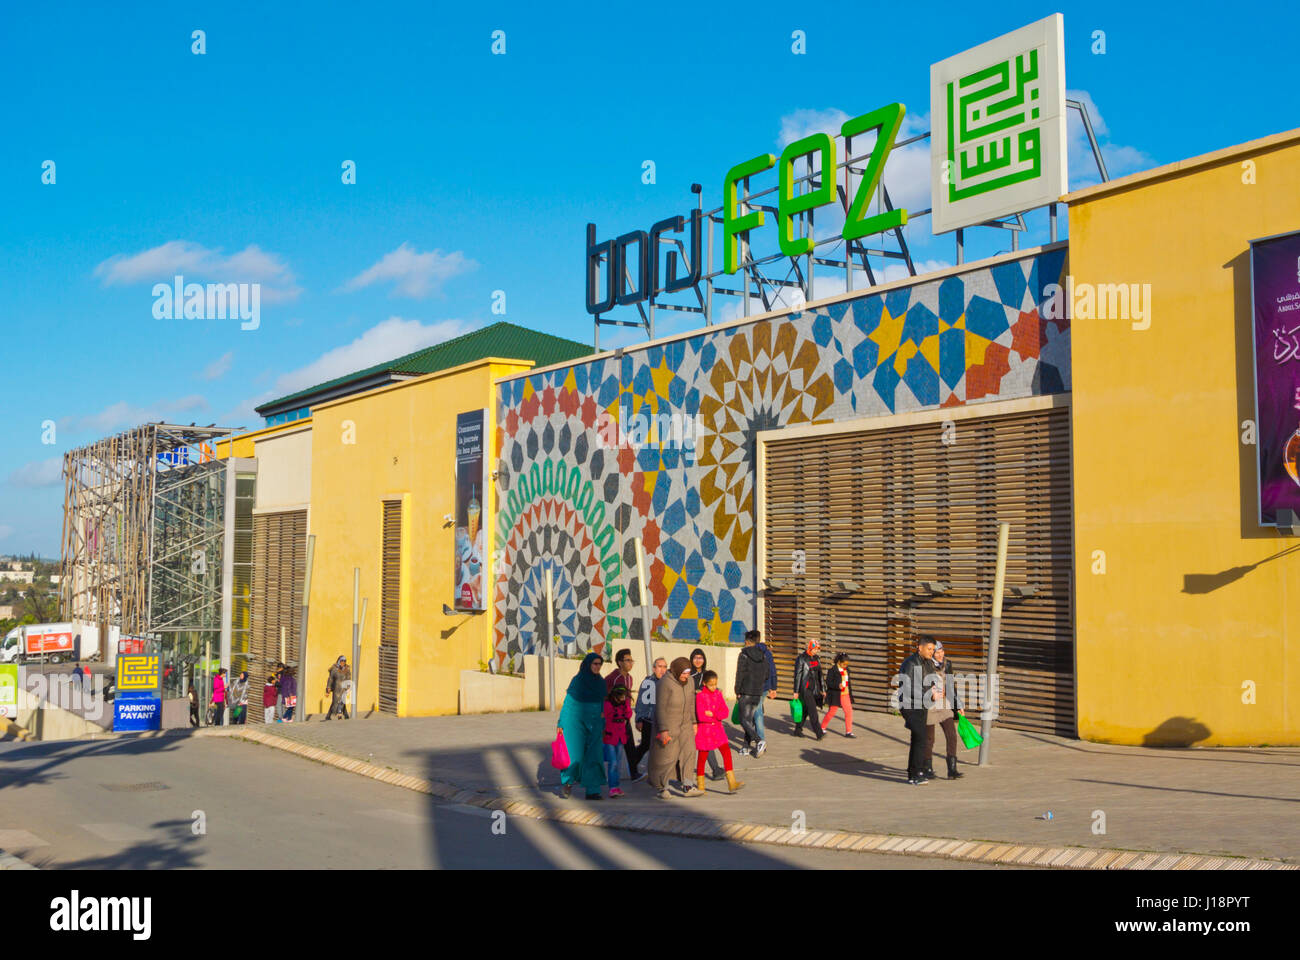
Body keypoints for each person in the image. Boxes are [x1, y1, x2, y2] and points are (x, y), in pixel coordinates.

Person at [648, 657, 703, 799]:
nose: (686, 676)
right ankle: (662, 787)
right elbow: (660, 708)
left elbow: (691, 703)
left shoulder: (690, 681)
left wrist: (694, 722)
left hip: (685, 723)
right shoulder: (665, 683)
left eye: (688, 673)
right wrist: (663, 729)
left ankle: (688, 785)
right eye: (684, 673)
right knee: (668, 756)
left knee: (690, 751)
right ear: (677, 670)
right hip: (669, 724)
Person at [556, 652, 608, 801]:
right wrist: (561, 723)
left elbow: (602, 705)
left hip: (595, 724)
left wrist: (603, 724)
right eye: (595, 664)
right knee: (574, 756)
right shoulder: (577, 681)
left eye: (599, 664)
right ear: (587, 664)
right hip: (575, 722)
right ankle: (568, 782)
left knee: (594, 756)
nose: (597, 667)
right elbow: (568, 703)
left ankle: (593, 790)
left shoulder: (600, 682)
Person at [695, 670, 744, 793]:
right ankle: (701, 785)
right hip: (705, 731)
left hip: (717, 729)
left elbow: (725, 712)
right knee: (702, 757)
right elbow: (701, 716)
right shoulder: (700, 696)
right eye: (711, 684)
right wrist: (715, 715)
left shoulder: (718, 694)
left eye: (715, 684)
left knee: (726, 752)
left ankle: (731, 781)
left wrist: (714, 714)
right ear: (705, 683)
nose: (714, 687)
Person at [896, 637, 936, 785]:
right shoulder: (911, 663)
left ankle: (913, 773)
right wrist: (930, 694)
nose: (931, 652)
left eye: (933, 649)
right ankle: (917, 772)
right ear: (920, 647)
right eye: (929, 648)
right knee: (921, 737)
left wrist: (935, 690)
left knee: (917, 738)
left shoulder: (928, 663)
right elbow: (908, 687)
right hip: (909, 705)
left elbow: (930, 682)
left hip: (922, 705)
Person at [926, 642, 965, 780]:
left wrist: (958, 705)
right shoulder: (925, 665)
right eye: (937, 652)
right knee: (929, 739)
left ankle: (952, 770)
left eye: (942, 651)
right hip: (928, 705)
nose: (941, 654)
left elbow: (950, 685)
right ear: (931, 654)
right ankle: (928, 769)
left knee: (952, 735)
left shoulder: (947, 664)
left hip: (943, 704)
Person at [605, 648, 644, 778]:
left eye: (631, 660)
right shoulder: (613, 678)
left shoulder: (630, 678)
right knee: (612, 750)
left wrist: (627, 715)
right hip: (614, 720)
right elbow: (607, 697)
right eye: (627, 660)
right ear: (619, 662)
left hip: (625, 718)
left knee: (630, 746)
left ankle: (633, 773)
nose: (630, 663)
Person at [688, 648, 724, 779]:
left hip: (704, 714)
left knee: (706, 742)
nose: (698, 661)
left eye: (700, 658)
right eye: (695, 658)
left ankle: (716, 769)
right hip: (692, 714)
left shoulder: (707, 674)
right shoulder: (688, 675)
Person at [733, 631, 767, 756]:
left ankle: (759, 741)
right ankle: (746, 747)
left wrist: (737, 690)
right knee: (749, 719)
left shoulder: (743, 655)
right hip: (757, 692)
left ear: (747, 641)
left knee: (743, 719)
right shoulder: (763, 656)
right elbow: (766, 674)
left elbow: (740, 674)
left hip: (746, 691)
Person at [633, 658, 666, 778]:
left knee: (662, 747)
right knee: (645, 745)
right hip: (648, 720)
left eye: (664, 667)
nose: (662, 670)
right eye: (660, 666)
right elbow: (641, 702)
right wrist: (639, 719)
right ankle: (631, 765)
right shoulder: (648, 682)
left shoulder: (667, 681)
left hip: (662, 722)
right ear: (654, 668)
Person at [602, 685, 633, 798]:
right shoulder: (608, 705)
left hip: (620, 737)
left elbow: (629, 714)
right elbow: (604, 719)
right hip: (610, 738)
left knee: (618, 763)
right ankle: (612, 787)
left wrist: (626, 706)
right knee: (613, 762)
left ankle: (616, 785)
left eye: (625, 697)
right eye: (621, 697)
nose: (623, 699)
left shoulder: (623, 704)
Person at [791, 640, 825, 739]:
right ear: (809, 648)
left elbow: (820, 675)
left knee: (805, 710)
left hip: (814, 688)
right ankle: (819, 733)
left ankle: (798, 729)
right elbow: (797, 676)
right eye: (815, 649)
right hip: (805, 689)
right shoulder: (801, 659)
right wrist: (796, 691)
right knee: (813, 711)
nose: (816, 651)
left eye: (817, 649)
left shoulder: (817, 658)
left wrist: (823, 689)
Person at [821, 653, 854, 737]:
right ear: (839, 662)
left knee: (849, 712)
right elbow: (829, 682)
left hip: (845, 694)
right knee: (832, 712)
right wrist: (837, 685)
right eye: (844, 664)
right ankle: (822, 727)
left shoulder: (847, 670)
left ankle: (848, 732)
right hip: (836, 694)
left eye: (847, 664)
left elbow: (848, 682)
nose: (845, 666)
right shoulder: (832, 670)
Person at [754, 630, 777, 743]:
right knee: (757, 709)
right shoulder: (767, 653)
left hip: (755, 687)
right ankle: (754, 735)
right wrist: (773, 687)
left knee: (757, 713)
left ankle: (761, 740)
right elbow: (773, 671)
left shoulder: (751, 652)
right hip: (765, 686)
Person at [325, 656, 350, 720]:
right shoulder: (334, 669)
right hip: (337, 688)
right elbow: (330, 679)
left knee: (342, 701)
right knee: (335, 702)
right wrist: (328, 687)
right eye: (342, 661)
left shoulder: (347, 669)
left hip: (343, 688)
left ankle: (342, 715)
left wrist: (348, 687)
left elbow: (348, 678)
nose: (343, 662)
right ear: (339, 661)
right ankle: (329, 715)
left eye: (344, 661)